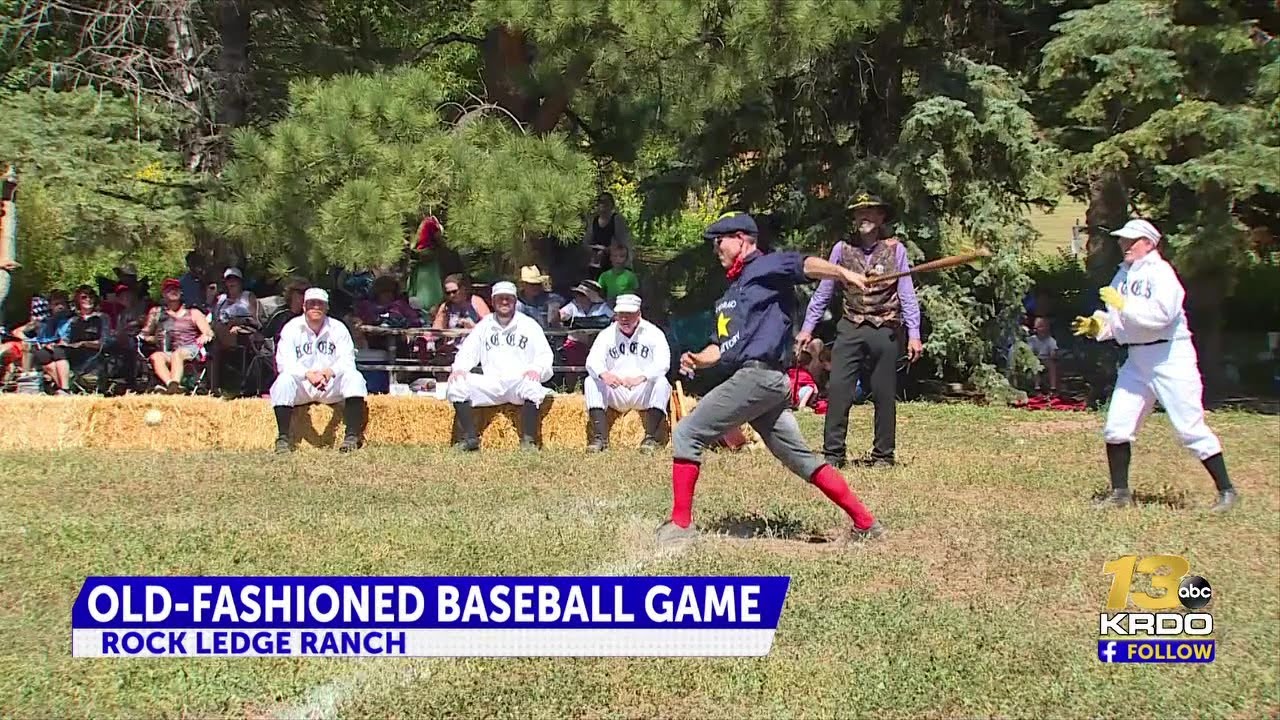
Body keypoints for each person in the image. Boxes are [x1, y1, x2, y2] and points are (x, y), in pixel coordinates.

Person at [657, 211, 885, 548]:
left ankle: (679, 526)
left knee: (688, 433)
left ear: (743, 240)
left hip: (759, 377)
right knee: (801, 459)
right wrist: (698, 359)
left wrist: (843, 273)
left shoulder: (763, 266)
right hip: (765, 383)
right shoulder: (733, 292)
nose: (716, 248)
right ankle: (866, 524)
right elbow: (720, 348)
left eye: (720, 241)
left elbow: (803, 264)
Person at [1072, 218, 1238, 512]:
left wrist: (1125, 307)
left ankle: (1227, 491)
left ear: (1149, 244)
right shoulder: (1122, 275)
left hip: (1170, 357)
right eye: (1122, 240)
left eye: (1131, 241)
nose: (1124, 245)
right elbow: (1118, 321)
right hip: (1137, 359)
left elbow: (1162, 316)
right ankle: (1120, 493)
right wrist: (1098, 326)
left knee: (1190, 428)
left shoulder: (1162, 274)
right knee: (1116, 427)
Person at [795, 193, 923, 469]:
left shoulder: (895, 250)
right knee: (839, 389)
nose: (863, 217)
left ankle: (883, 455)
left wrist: (914, 334)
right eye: (858, 213)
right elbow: (823, 292)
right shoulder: (842, 250)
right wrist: (807, 329)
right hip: (851, 327)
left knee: (883, 393)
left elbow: (907, 295)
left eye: (870, 212)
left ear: (881, 217)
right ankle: (833, 453)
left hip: (885, 328)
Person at [447, 282, 554, 451]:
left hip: (518, 382)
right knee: (457, 384)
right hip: (492, 382)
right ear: (493, 301)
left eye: (508, 299)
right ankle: (469, 438)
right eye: (500, 299)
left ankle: (529, 440)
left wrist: (537, 369)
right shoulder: (484, 326)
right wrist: (460, 368)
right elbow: (467, 352)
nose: (504, 302)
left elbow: (545, 355)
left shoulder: (529, 325)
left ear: (515, 301)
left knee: (533, 387)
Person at [270, 288, 368, 454]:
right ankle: (283, 439)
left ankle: (352, 437)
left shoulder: (338, 328)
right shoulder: (291, 328)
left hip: (329, 384)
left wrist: (328, 372)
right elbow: (284, 362)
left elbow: (347, 359)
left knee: (355, 377)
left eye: (320, 304)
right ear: (304, 306)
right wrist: (308, 375)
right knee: (284, 380)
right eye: (311, 303)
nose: (316, 307)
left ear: (327, 307)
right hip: (303, 385)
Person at [583, 294, 671, 452]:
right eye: (620, 315)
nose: (624, 319)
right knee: (591, 380)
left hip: (642, 389)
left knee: (662, 382)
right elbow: (592, 361)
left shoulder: (654, 333)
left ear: (639, 314)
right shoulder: (606, 334)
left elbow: (663, 363)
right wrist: (605, 374)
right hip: (617, 389)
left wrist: (642, 377)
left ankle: (651, 438)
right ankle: (600, 439)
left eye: (629, 314)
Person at [142, 278, 214, 394]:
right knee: (156, 356)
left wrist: (205, 335)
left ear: (181, 292)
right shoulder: (157, 313)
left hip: (191, 350)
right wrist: (155, 338)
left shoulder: (193, 313)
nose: (173, 292)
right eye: (169, 289)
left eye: (176, 289)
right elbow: (145, 333)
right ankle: (170, 384)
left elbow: (208, 332)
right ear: (164, 294)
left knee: (178, 354)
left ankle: (174, 385)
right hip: (167, 351)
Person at [66, 288, 110, 393]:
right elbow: (65, 339)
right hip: (73, 353)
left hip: (94, 354)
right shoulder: (72, 320)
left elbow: (105, 341)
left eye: (91, 296)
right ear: (78, 300)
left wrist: (84, 343)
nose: (88, 299)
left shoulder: (102, 317)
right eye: (84, 297)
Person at [583, 192, 633, 274]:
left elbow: (624, 242)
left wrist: (609, 249)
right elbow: (587, 241)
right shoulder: (593, 221)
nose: (603, 204)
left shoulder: (617, 220)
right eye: (601, 201)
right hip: (596, 262)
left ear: (612, 205)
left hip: (613, 262)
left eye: (606, 201)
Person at [1027, 316, 1059, 394]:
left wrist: (1053, 354)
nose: (1042, 330)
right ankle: (1037, 387)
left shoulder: (1050, 340)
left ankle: (1053, 387)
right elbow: (1029, 351)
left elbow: (1053, 351)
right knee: (1034, 365)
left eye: (1043, 327)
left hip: (1046, 358)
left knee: (1052, 366)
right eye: (1039, 327)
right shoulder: (1032, 340)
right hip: (1035, 358)